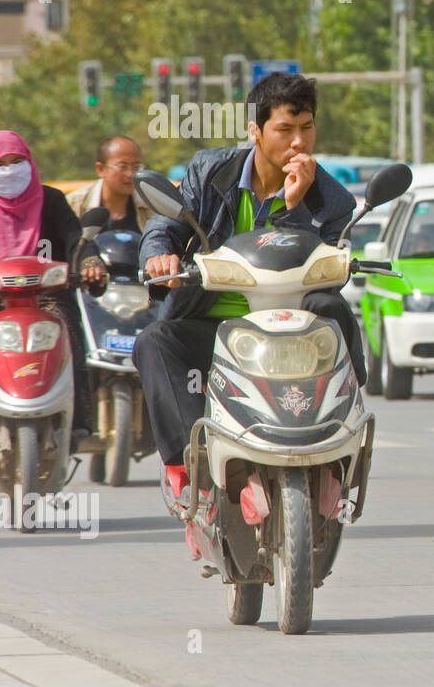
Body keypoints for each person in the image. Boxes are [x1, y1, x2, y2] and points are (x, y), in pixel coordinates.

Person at [134, 73, 363, 512]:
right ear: (255, 131)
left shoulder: (332, 199)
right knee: (154, 342)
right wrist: (160, 255)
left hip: (294, 333)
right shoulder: (208, 170)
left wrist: (296, 208)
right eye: (285, 129)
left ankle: (336, 457)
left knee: (331, 308)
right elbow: (166, 224)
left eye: (307, 127)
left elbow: (330, 271)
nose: (299, 141)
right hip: (216, 326)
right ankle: (189, 467)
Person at [0, 130, 106, 446]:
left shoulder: (52, 200)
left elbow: (76, 239)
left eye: (16, 161)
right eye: (0, 164)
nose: (8, 170)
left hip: (48, 298)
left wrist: (89, 262)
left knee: (70, 329)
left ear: (30, 162)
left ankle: (80, 422)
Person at [65, 136, 154, 234]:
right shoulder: (74, 206)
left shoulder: (152, 206)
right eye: (123, 167)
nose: (130, 174)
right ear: (101, 169)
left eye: (136, 167)